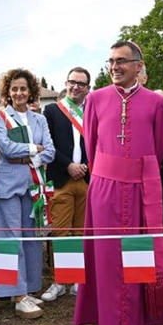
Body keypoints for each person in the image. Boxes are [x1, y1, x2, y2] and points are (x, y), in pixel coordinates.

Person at [73, 41, 163, 325]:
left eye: (121, 61)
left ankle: (136, 324)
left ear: (137, 66)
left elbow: (158, 148)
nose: (114, 67)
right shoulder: (95, 99)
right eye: (111, 61)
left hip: (141, 187)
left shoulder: (155, 103)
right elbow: (91, 145)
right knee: (105, 258)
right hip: (105, 188)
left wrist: (133, 173)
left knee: (138, 255)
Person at [0, 68, 55, 318]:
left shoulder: (40, 119)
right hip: (7, 184)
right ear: (7, 91)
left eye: (23, 88)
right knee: (10, 237)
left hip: (34, 183)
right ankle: (16, 294)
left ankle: (29, 288)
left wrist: (34, 156)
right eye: (14, 88)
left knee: (32, 237)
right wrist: (33, 149)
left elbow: (50, 150)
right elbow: (6, 148)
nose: (19, 93)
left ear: (31, 92)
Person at [42, 67, 91, 301]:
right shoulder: (52, 110)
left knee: (81, 233)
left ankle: (78, 280)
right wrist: (68, 165)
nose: (76, 87)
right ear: (66, 83)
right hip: (61, 178)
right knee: (61, 232)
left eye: (81, 84)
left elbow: (100, 142)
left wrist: (86, 166)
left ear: (88, 88)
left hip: (86, 178)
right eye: (72, 82)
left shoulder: (93, 111)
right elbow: (48, 143)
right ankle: (60, 280)